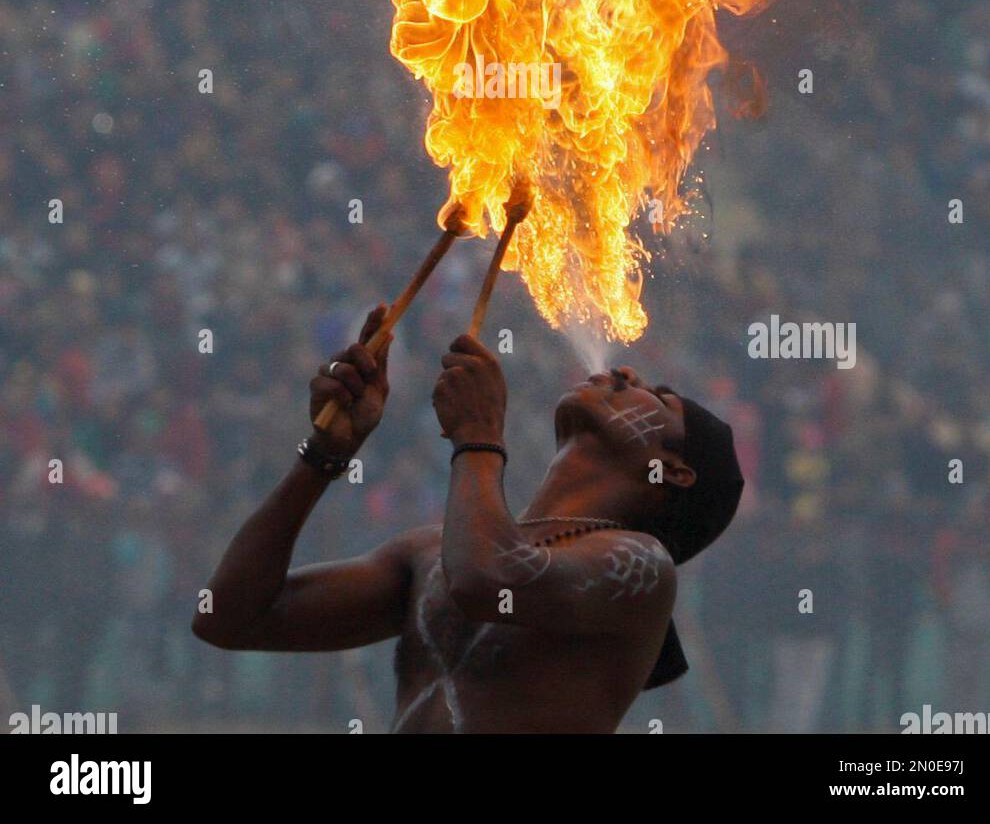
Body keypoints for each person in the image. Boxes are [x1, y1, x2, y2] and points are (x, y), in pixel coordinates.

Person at [192, 306, 745, 734]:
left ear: (673, 470)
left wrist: (479, 433)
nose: (626, 371)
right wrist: (326, 452)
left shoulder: (640, 569)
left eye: (660, 397)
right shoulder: (432, 551)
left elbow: (487, 579)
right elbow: (228, 618)